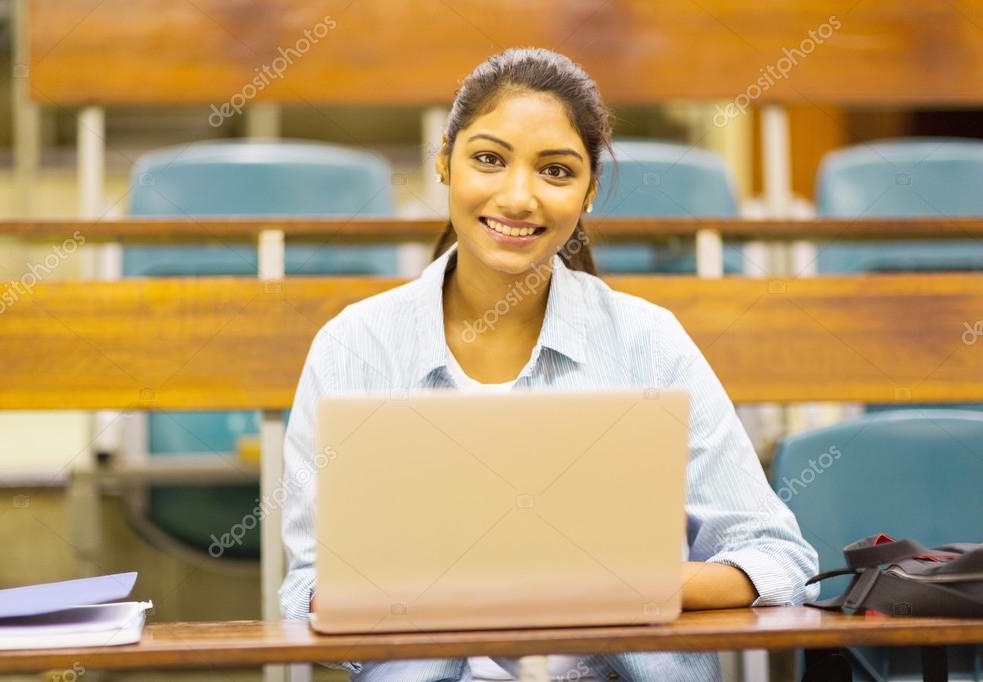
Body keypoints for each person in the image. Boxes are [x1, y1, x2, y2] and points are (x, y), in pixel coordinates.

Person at [280, 47, 818, 681]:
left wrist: (628, 585)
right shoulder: (354, 346)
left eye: (555, 171)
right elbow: (308, 589)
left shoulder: (648, 341)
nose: (518, 196)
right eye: (488, 158)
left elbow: (780, 559)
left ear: (589, 191)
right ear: (443, 163)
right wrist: (451, 595)